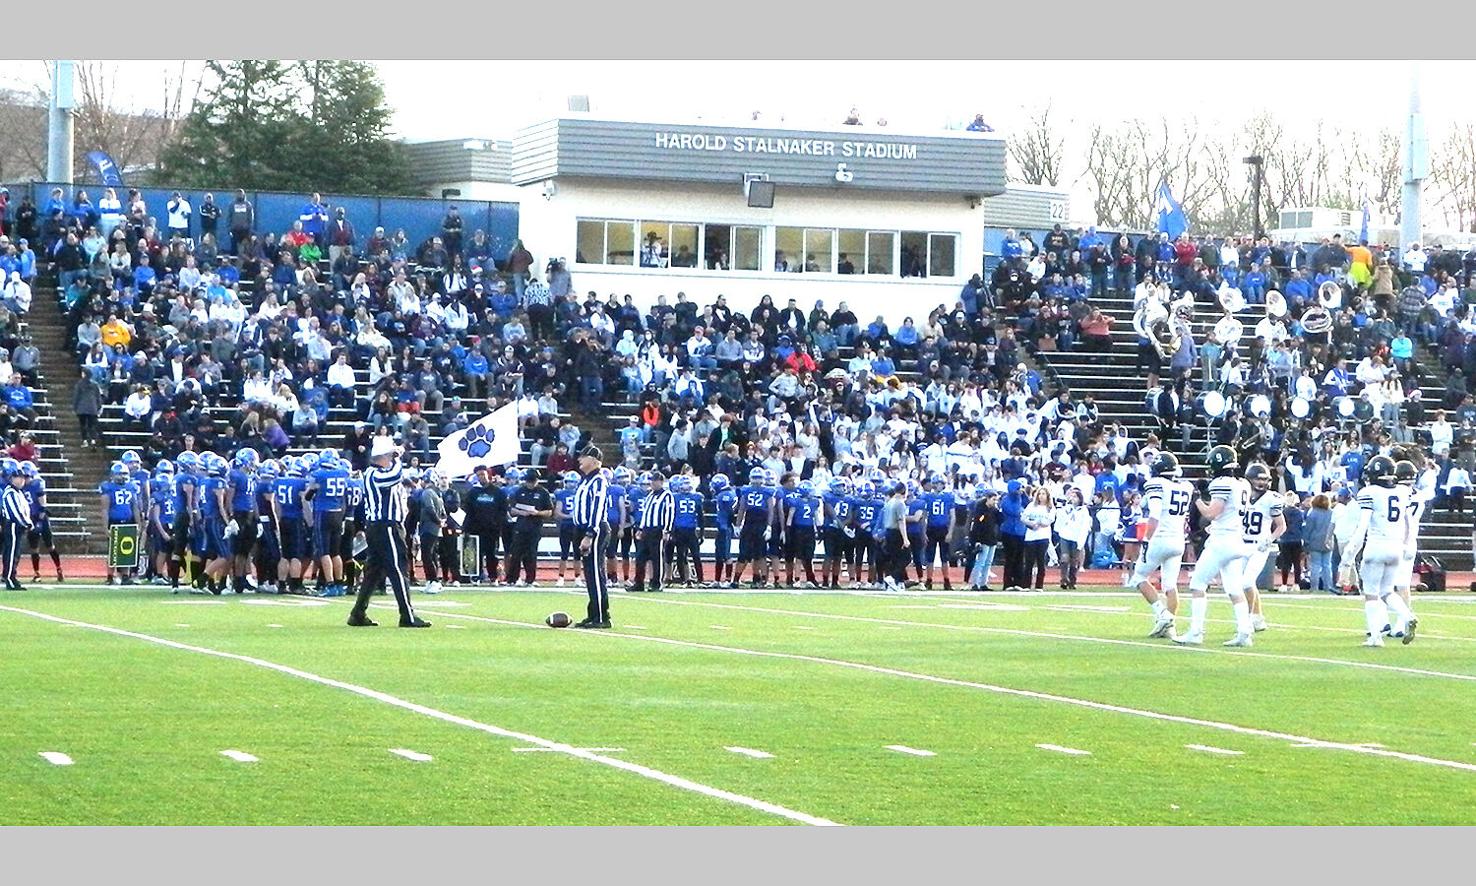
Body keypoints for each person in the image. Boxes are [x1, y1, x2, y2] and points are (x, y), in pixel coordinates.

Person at [1176, 445, 1255, 647]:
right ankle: (1245, 631)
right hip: (1237, 539)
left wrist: (1197, 499)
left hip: (1221, 541)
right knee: (1233, 588)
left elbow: (1212, 513)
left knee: (1197, 585)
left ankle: (1196, 632)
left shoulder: (1222, 483)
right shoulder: (1243, 483)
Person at [347, 437, 429, 628]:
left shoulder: (373, 473)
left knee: (373, 572)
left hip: (379, 527)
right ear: (382, 457)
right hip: (386, 526)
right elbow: (395, 475)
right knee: (398, 569)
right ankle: (407, 615)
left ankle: (358, 612)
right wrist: (398, 456)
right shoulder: (376, 474)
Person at [1350, 457, 1415, 647]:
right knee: (1387, 591)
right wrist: (1407, 543)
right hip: (1396, 547)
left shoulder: (1369, 492)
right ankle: (1406, 615)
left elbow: (1362, 527)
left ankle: (1375, 637)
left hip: (1376, 546)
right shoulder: (1403, 492)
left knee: (1371, 593)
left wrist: (1348, 557)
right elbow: (1407, 522)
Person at [1236, 463, 1286, 635]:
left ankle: (1248, 619)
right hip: (1241, 545)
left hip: (1259, 547)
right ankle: (1258, 618)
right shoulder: (1241, 495)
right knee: (1242, 584)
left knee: (1247, 582)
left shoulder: (1272, 499)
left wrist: (1270, 538)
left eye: (1264, 479)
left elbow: (1281, 526)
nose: (1261, 482)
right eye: (1258, 479)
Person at [572, 445, 612, 629]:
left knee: (595, 572)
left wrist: (590, 534)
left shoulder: (598, 481)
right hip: (583, 528)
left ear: (594, 460)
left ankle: (601, 616)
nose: (580, 459)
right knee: (590, 573)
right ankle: (594, 613)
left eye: (584, 456)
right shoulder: (585, 480)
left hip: (594, 528)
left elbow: (596, 509)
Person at [505, 468, 553, 587]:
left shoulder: (543, 492)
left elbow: (549, 512)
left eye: (532, 481)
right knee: (515, 553)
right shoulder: (519, 491)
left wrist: (537, 513)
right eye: (528, 481)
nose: (530, 484)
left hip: (535, 527)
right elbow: (511, 509)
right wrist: (522, 512)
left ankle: (530, 579)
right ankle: (512, 579)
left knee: (531, 554)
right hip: (520, 526)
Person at [18, 461, 63, 584]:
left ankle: (59, 569)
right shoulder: (19, 487)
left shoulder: (37, 484)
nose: (24, 479)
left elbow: (43, 505)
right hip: (29, 518)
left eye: (26, 476)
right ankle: (37, 573)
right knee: (34, 548)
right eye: (23, 476)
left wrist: (40, 519)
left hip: (40, 518)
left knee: (50, 545)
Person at [631, 472, 674, 592]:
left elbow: (669, 513)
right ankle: (639, 583)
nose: (652, 483)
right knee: (640, 557)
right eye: (652, 481)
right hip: (647, 530)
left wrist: (667, 530)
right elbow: (646, 513)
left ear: (661, 482)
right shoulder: (650, 495)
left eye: (655, 481)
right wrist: (641, 528)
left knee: (656, 557)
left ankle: (656, 583)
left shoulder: (667, 495)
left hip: (657, 530)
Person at [1021, 487, 1054, 591]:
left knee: (1041, 561)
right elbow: (1023, 518)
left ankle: (1039, 585)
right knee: (1029, 562)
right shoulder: (1031, 506)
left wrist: (1040, 523)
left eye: (1043, 494)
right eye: (1040, 494)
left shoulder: (1050, 508)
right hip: (1031, 537)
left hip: (1043, 536)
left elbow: (1049, 520)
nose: (1041, 496)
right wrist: (1031, 523)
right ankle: (1026, 585)